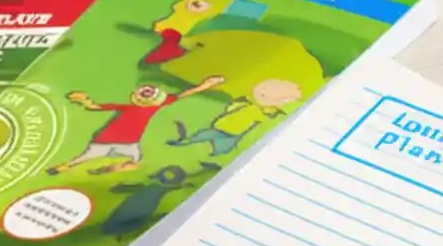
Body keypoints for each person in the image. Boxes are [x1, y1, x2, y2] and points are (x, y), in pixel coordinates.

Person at [47, 75, 224, 176]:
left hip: (118, 141)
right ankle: (94, 169)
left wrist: (206, 84)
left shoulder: (135, 106)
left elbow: (94, 106)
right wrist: (206, 85)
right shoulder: (146, 106)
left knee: (91, 158)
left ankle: (95, 169)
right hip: (118, 141)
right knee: (130, 162)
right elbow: (95, 106)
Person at [168, 78, 301, 156]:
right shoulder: (249, 105)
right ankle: (188, 141)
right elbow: (232, 108)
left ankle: (210, 154)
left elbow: (264, 116)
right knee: (205, 135)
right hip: (222, 126)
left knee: (223, 146)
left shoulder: (265, 111)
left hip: (233, 133)